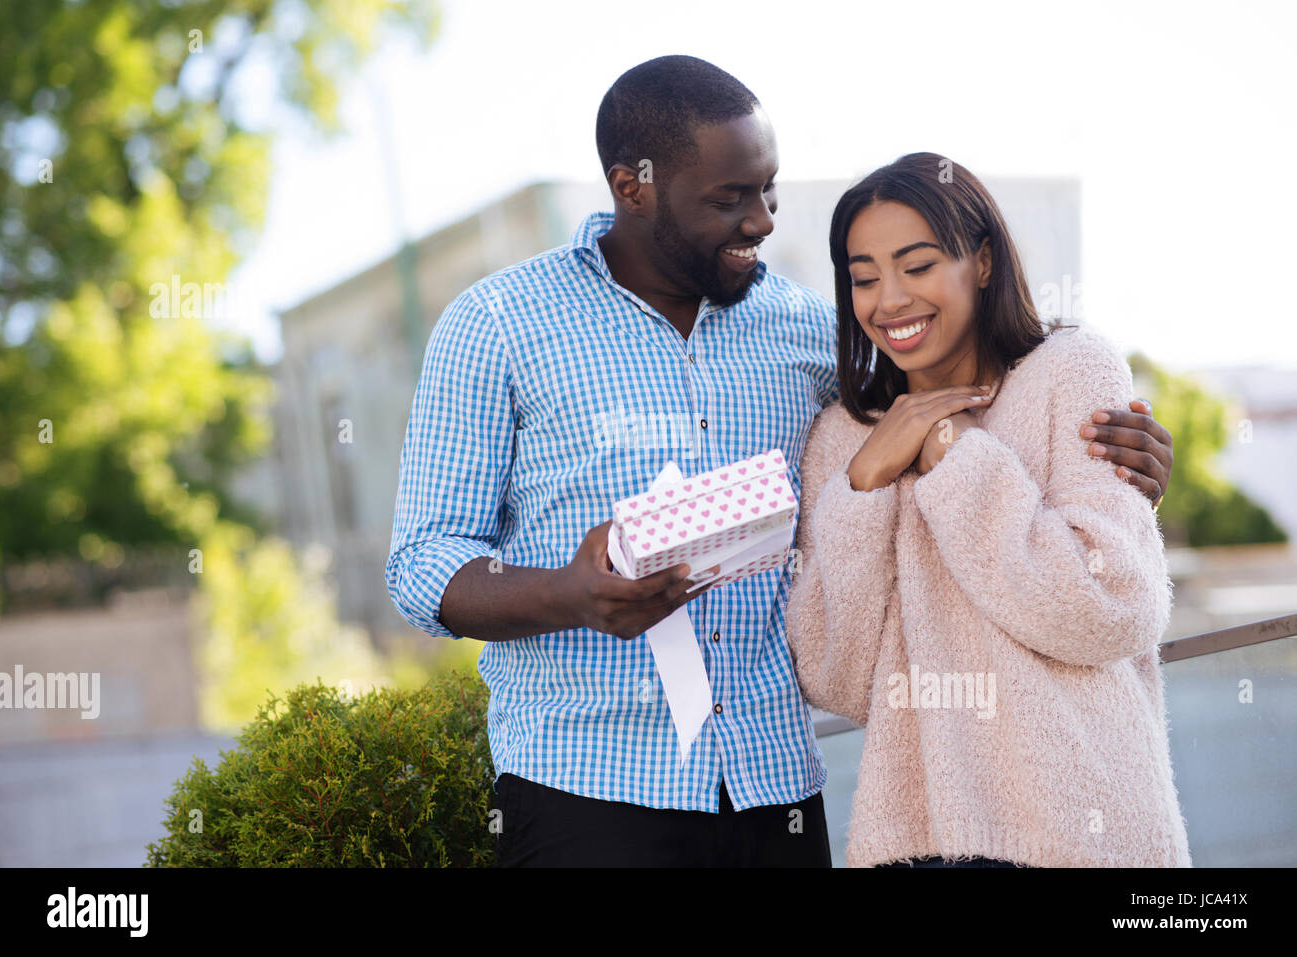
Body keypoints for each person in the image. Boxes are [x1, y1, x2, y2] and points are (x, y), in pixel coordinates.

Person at [385, 57, 1176, 867]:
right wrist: (569, 593)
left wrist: (1129, 472)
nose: (761, 221)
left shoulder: (811, 335)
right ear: (633, 187)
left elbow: (947, 418)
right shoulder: (498, 323)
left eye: (767, 190)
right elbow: (421, 561)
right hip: (587, 792)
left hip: (776, 796)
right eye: (728, 198)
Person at [784, 152, 1192, 867]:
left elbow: (1110, 609)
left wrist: (956, 451)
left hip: (1086, 833)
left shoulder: (1070, 370)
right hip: (918, 845)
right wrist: (865, 485)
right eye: (864, 277)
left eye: (917, 266)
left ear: (981, 261)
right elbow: (833, 677)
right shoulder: (847, 442)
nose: (889, 299)